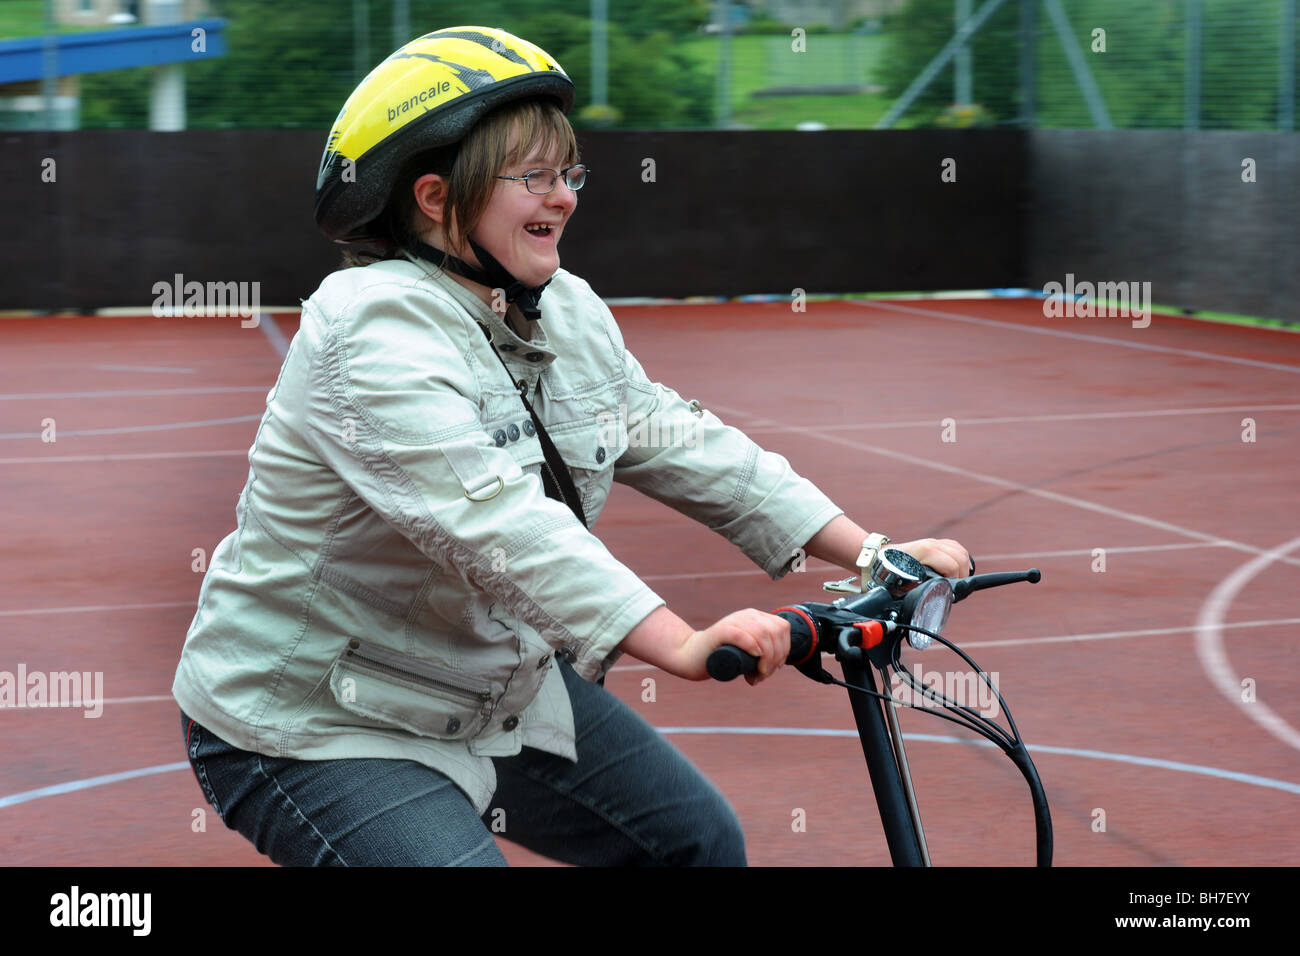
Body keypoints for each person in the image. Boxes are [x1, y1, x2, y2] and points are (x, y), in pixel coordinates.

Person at [172, 26, 971, 867]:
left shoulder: (564, 305)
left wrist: (874, 553)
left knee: (695, 844)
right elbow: (495, 520)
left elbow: (681, 440)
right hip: (314, 720)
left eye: (569, 173)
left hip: (483, 688)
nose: (565, 198)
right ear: (437, 197)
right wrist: (679, 644)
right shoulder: (369, 328)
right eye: (534, 177)